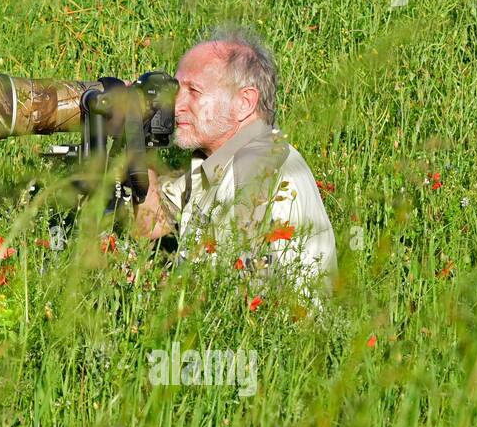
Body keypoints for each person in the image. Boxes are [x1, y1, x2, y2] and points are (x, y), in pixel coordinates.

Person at [133, 25, 337, 292]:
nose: (178, 105)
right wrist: (138, 139)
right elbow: (152, 223)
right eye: (177, 91)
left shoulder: (259, 169)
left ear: (244, 102)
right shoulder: (217, 161)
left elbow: (238, 295)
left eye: (193, 91)